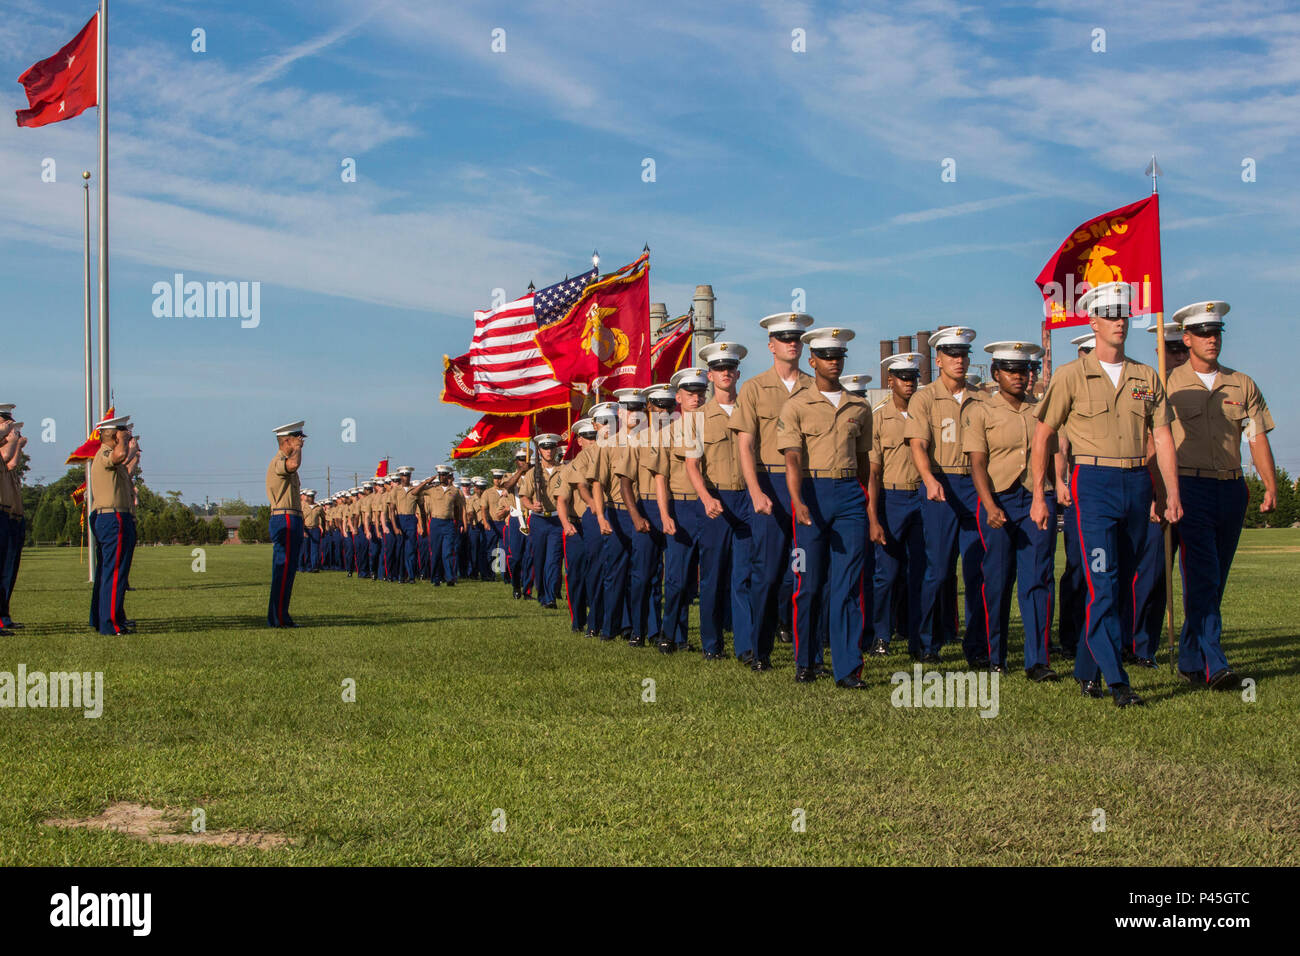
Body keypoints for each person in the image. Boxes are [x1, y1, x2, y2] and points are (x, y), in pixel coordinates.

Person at [1032, 281, 1182, 707]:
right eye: (1111, 314)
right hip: (1092, 485)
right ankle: (1117, 681)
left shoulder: (1146, 375)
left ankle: (1086, 670)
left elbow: (1164, 436)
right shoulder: (1070, 376)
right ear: (1093, 321)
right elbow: (1042, 436)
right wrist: (1039, 493)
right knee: (1103, 583)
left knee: (1120, 587)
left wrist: (1169, 491)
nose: (1120, 321)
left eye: (1124, 313)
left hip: (1136, 484)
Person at [1167, 300, 1277, 690]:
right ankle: (1216, 663)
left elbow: (1256, 436)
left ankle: (1189, 659)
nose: (1211, 339)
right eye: (1202, 333)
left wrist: (1269, 483)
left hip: (1231, 489)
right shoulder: (1167, 384)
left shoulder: (1241, 383)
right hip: (1189, 487)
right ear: (1187, 338)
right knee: (1203, 575)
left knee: (1216, 580)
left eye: (1216, 333)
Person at [776, 327, 871, 689]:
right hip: (811, 495)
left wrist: (864, 500)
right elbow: (792, 458)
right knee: (808, 584)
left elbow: (863, 462)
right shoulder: (796, 405)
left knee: (847, 586)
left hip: (848, 495)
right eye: (826, 356)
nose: (834, 362)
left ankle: (847, 668)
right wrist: (797, 500)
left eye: (838, 356)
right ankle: (807, 660)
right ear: (811, 360)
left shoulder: (859, 407)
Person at [964, 341, 1059, 680]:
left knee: (1037, 579)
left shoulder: (1041, 409)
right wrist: (988, 504)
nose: (1021, 376)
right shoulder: (981, 410)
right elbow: (977, 461)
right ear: (996, 373)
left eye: (1027, 370)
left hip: (1035, 499)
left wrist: (1055, 489)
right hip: (998, 500)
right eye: (1013, 370)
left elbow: (1053, 453)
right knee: (998, 581)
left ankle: (1037, 660)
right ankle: (995, 656)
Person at [731, 311, 815, 671]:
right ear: (771, 345)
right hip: (770, 483)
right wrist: (755, 491)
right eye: (784, 338)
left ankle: (808, 651)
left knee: (807, 572)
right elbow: (745, 446)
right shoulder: (753, 388)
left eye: (796, 338)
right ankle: (759, 649)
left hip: (810, 483)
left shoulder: (816, 388)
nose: (791, 343)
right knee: (766, 573)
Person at [906, 327, 988, 665]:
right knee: (937, 570)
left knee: (978, 571)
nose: (959, 360)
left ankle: (978, 647)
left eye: (963, 354)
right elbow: (917, 444)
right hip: (941, 486)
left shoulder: (983, 398)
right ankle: (924, 643)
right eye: (952, 354)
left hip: (976, 486)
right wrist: (927, 478)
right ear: (937, 360)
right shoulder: (924, 398)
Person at [687, 343, 753, 662]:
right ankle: (712, 644)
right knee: (712, 576)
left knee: (744, 576)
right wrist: (706, 498)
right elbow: (691, 465)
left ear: (738, 373)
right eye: (720, 369)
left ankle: (746, 646)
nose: (726, 373)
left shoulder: (750, 411)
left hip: (747, 498)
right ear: (710, 375)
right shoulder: (697, 418)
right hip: (715, 500)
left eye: (731, 368)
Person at [867, 354, 926, 659]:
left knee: (920, 572)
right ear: (890, 381)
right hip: (892, 499)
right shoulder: (878, 418)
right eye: (903, 378)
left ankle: (918, 636)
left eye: (913, 377)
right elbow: (874, 473)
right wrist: (873, 516)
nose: (909, 383)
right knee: (886, 574)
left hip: (923, 498)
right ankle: (881, 634)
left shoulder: (925, 412)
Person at [654, 368, 710, 654]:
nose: (696, 399)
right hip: (683, 506)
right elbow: (660, 479)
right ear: (678, 397)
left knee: (696, 580)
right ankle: (668, 632)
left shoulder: (713, 427)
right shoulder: (668, 433)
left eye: (700, 394)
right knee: (676, 576)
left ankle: (686, 635)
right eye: (690, 394)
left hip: (712, 505)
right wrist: (665, 515)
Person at [614, 386, 665, 647]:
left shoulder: (682, 437)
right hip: (645, 508)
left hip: (676, 508)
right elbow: (625, 483)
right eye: (658, 407)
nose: (663, 412)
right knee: (643, 574)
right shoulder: (638, 440)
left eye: (669, 407)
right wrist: (635, 515)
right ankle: (637, 627)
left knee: (666, 577)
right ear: (650, 409)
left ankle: (659, 632)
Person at [584, 400, 632, 641]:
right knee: (602, 571)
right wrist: (598, 512)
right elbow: (587, 485)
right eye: (603, 422)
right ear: (594, 425)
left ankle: (625, 624)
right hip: (601, 513)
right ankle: (598, 622)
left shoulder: (627, 443)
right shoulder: (591, 451)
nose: (608, 426)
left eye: (612, 421)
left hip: (626, 512)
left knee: (628, 571)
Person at [516, 433, 566, 609]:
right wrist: (531, 506)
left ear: (556, 449)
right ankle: (542, 594)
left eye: (551, 447)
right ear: (539, 450)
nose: (549, 451)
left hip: (556, 520)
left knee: (554, 560)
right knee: (539, 559)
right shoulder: (532, 473)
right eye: (545, 448)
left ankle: (551, 597)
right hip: (538, 520)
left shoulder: (564, 470)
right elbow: (524, 496)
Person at [559, 420, 597, 634]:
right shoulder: (571, 468)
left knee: (598, 572)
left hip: (599, 525)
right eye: (588, 437)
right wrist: (565, 524)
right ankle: (578, 620)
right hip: (577, 526)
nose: (593, 441)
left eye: (595, 436)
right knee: (576, 575)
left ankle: (597, 617)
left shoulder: (607, 460)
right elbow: (562, 500)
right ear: (580, 441)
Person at [266, 420, 306, 628]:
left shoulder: (284, 460)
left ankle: (281, 615)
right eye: (298, 439)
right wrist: (297, 450)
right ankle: (277, 618)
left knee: (288, 570)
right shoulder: (280, 461)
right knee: (283, 570)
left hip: (291, 517)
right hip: (285, 518)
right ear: (287, 441)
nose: (301, 443)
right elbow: (293, 464)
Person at [0, 406, 28, 633]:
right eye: (6, 423)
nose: (10, 428)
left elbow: (11, 462)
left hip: (11, 515)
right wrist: (14, 441)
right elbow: (9, 458)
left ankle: (3, 614)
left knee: (9, 569)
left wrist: (14, 441)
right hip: (3, 514)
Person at [422, 465, 464, 587]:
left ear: (449, 476)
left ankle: (450, 577)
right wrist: (428, 481)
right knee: (435, 552)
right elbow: (415, 491)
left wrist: (456, 523)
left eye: (444, 475)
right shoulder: (433, 489)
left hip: (448, 523)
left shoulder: (455, 491)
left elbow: (457, 509)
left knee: (447, 552)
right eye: (440, 475)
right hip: (435, 522)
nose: (442, 477)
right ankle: (435, 577)